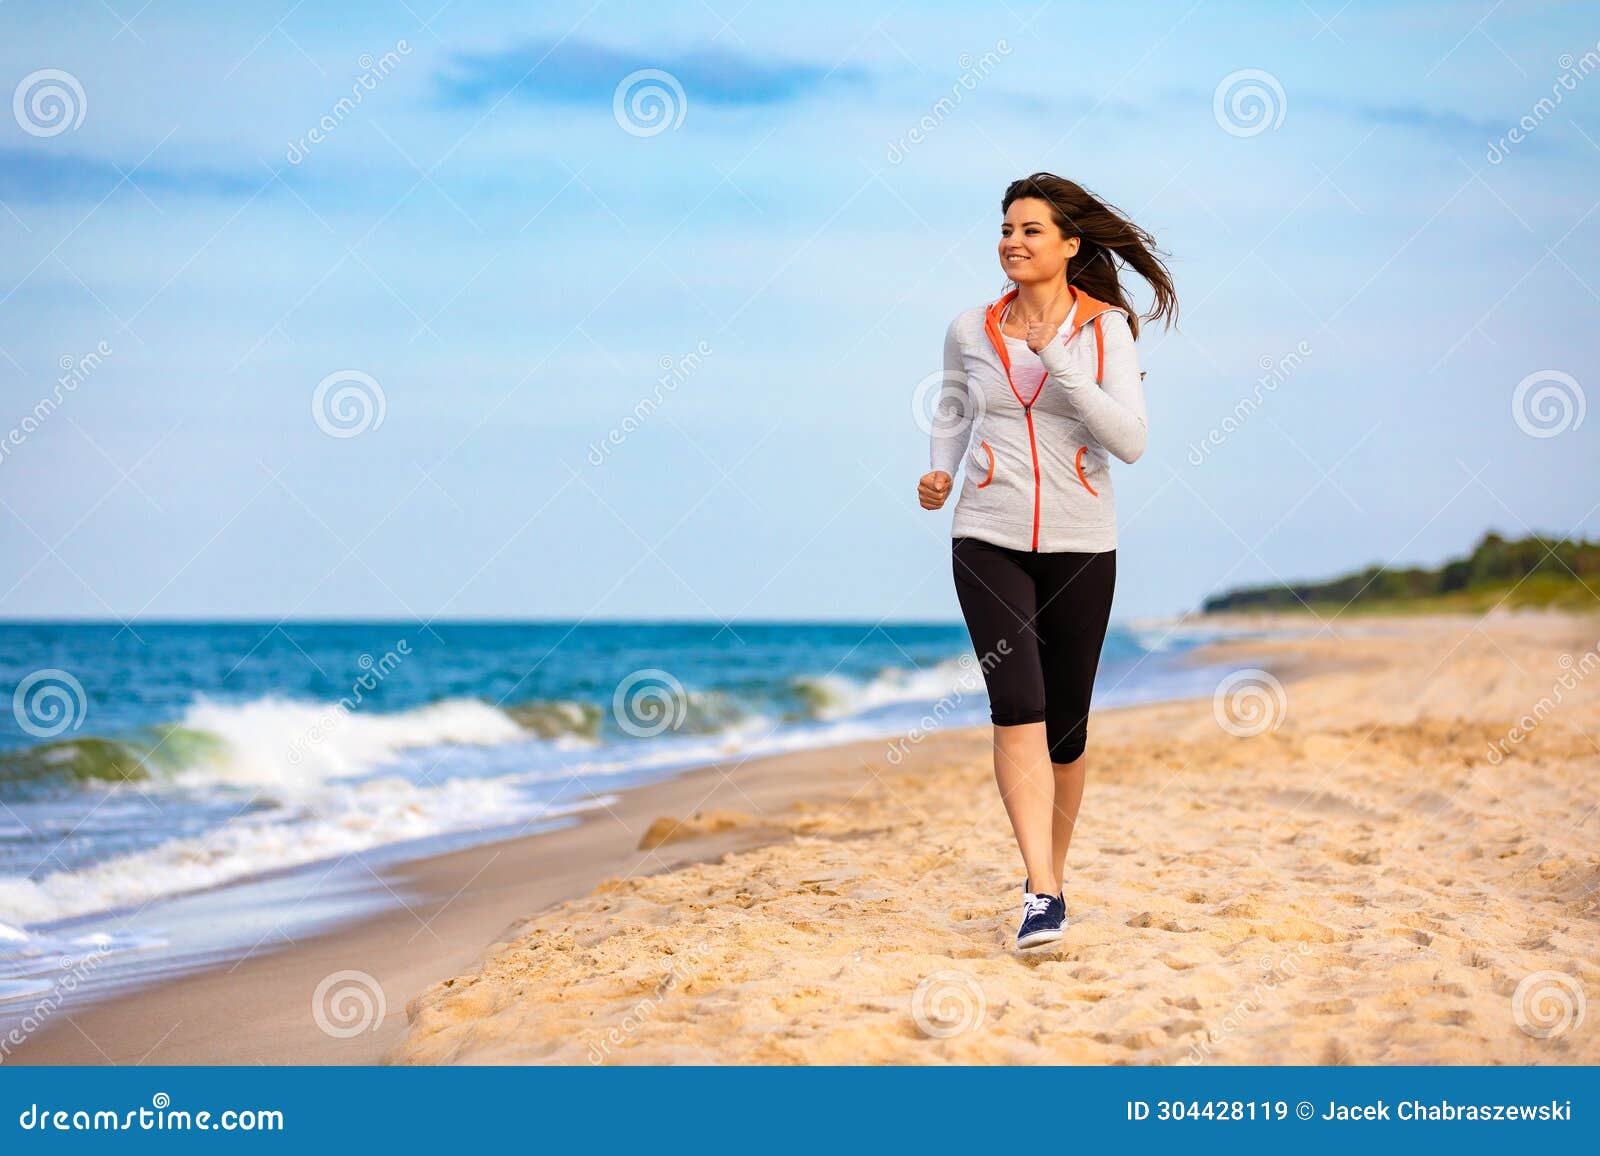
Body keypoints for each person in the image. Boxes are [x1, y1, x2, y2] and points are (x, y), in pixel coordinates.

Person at [918, 172, 1177, 948]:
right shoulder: (971, 328)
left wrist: (1059, 358)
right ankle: (1039, 888)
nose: (1012, 241)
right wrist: (938, 467)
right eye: (1006, 227)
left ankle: (1052, 881)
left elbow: (1129, 441)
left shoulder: (1105, 331)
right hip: (986, 532)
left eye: (1031, 229)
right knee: (1017, 701)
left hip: (1082, 544)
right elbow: (955, 409)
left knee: (1066, 728)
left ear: (1069, 245)